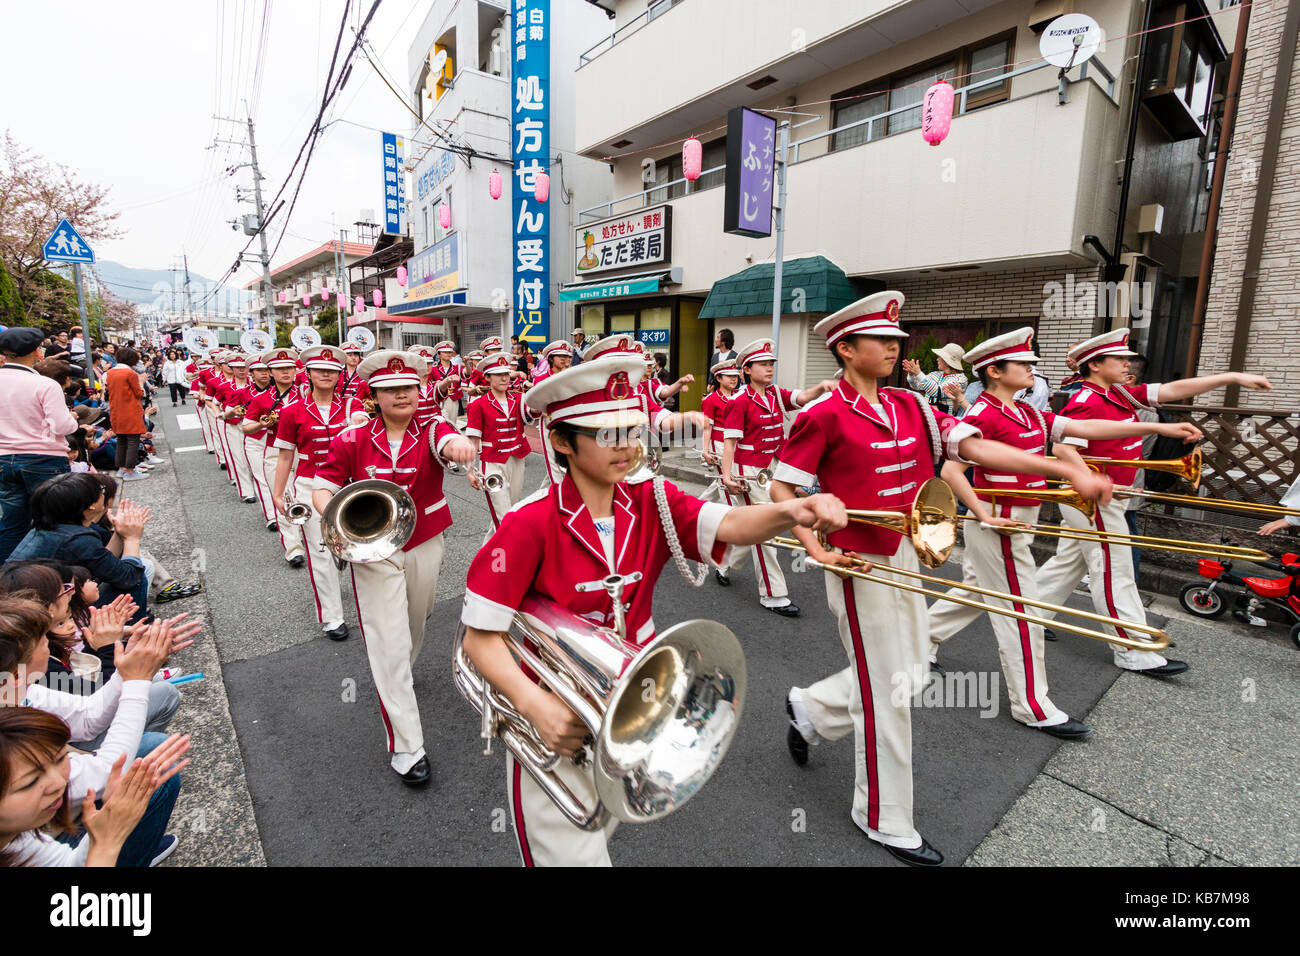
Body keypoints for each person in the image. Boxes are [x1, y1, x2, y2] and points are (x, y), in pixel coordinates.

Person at [459, 353, 848, 865]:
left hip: (633, 695)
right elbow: (478, 638)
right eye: (605, 433)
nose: (625, 445)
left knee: (604, 823)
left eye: (630, 428)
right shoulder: (526, 521)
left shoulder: (651, 497)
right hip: (555, 707)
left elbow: (728, 523)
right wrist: (536, 709)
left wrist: (791, 510)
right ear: (560, 441)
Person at [768, 292, 1113, 867]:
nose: (895, 345)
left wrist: (1061, 468)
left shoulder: (913, 406)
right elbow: (783, 488)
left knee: (910, 671)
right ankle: (882, 816)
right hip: (856, 563)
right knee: (889, 693)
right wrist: (815, 549)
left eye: (895, 337)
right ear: (846, 349)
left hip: (906, 551)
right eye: (881, 338)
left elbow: (977, 448)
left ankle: (812, 708)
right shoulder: (822, 413)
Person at [924, 329, 1204, 738]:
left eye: (1031, 364)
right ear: (996, 372)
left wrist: (1160, 431)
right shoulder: (980, 413)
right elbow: (951, 470)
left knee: (978, 592)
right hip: (999, 522)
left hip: (1022, 517)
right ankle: (1032, 705)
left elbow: (1085, 429)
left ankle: (919, 639)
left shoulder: (1030, 412)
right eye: (1024, 364)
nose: (1032, 370)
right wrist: (984, 514)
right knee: (1020, 614)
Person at [1035, 329, 1272, 676]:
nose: (1127, 363)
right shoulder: (1087, 400)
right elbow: (1063, 448)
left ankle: (1028, 617)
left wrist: (1232, 376)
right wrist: (1088, 479)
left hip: (1106, 496)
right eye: (1119, 358)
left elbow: (1172, 391)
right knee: (1115, 572)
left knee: (1069, 563)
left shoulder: (1117, 393)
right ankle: (1133, 649)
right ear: (1097, 364)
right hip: (1094, 498)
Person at [312, 350, 475, 785]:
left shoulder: (434, 427)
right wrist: (334, 519)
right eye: (390, 389)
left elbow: (450, 442)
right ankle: (408, 746)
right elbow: (324, 485)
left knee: (416, 621)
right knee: (388, 640)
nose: (402, 394)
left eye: (408, 387)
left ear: (419, 391)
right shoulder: (351, 438)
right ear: (375, 395)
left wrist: (459, 445)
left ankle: (401, 668)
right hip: (371, 550)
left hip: (424, 539)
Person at [717, 338, 837, 615]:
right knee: (766, 530)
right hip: (747, 472)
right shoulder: (738, 401)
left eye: (772, 364)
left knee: (753, 528)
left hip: (773, 467)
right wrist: (726, 475)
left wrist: (821, 387)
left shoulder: (774, 394)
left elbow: (802, 398)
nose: (769, 368)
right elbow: (730, 443)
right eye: (763, 364)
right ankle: (773, 595)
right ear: (746, 369)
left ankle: (722, 561)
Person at [0, 707, 183, 867]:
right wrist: (107, 840)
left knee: (151, 777)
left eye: (61, 758)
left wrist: (106, 824)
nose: (58, 784)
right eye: (31, 782)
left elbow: (67, 864)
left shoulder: (16, 836)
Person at [273, 345, 368, 640]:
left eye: (332, 371)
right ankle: (332, 617)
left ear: (340, 375)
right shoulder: (291, 412)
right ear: (309, 374)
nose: (326, 374)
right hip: (308, 484)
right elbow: (286, 456)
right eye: (319, 370)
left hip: (349, 485)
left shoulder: (354, 407)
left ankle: (371, 609)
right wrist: (278, 493)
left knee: (360, 548)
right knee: (320, 551)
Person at [8, 473, 154, 617]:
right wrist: (132, 538)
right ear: (90, 506)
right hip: (47, 617)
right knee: (139, 579)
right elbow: (128, 577)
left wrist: (119, 532)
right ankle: (122, 636)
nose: (104, 493)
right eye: (102, 490)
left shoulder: (47, 528)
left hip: (29, 611)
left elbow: (104, 566)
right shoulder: (77, 539)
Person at [0, 327, 79, 561]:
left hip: (3, 458)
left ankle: (10, 577)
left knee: (12, 523)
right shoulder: (45, 385)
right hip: (42, 458)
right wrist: (72, 421)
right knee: (57, 518)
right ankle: (61, 572)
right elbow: (62, 427)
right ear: (37, 351)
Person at [243, 347, 304, 546]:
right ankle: (292, 545)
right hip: (275, 451)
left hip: (303, 451)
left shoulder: (306, 395)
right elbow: (246, 427)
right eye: (280, 369)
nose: (286, 372)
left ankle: (308, 537)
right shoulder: (261, 399)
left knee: (305, 495)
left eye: (289, 367)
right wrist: (263, 423)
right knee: (282, 498)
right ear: (270, 372)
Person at [465, 353, 532, 528]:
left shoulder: (519, 398)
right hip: (493, 463)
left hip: (517, 458)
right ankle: (511, 555)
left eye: (506, 373)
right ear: (487, 377)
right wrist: (470, 469)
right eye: (498, 374)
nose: (504, 378)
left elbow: (533, 412)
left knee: (511, 510)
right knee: (505, 518)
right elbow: (473, 441)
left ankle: (489, 552)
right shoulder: (477, 405)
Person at [700, 358, 741, 503]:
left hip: (737, 444)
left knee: (723, 478)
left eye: (735, 376)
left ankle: (700, 506)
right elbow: (707, 427)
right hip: (718, 444)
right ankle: (732, 513)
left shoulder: (740, 396)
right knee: (726, 479)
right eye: (729, 376)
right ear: (718, 378)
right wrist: (705, 451)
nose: (733, 379)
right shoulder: (710, 400)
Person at [902, 342, 968, 415]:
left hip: (945, 421)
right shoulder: (935, 374)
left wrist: (918, 373)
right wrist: (911, 374)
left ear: (946, 361)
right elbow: (916, 386)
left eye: (940, 357)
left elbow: (937, 392)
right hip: (927, 416)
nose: (937, 359)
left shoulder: (961, 379)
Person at [428, 341, 463, 422]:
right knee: (442, 421)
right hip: (439, 399)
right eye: (445, 352)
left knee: (452, 421)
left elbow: (467, 374)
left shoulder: (456, 367)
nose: (448, 354)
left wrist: (466, 363)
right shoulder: (433, 369)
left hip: (453, 398)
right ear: (439, 355)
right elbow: (428, 383)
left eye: (450, 352)